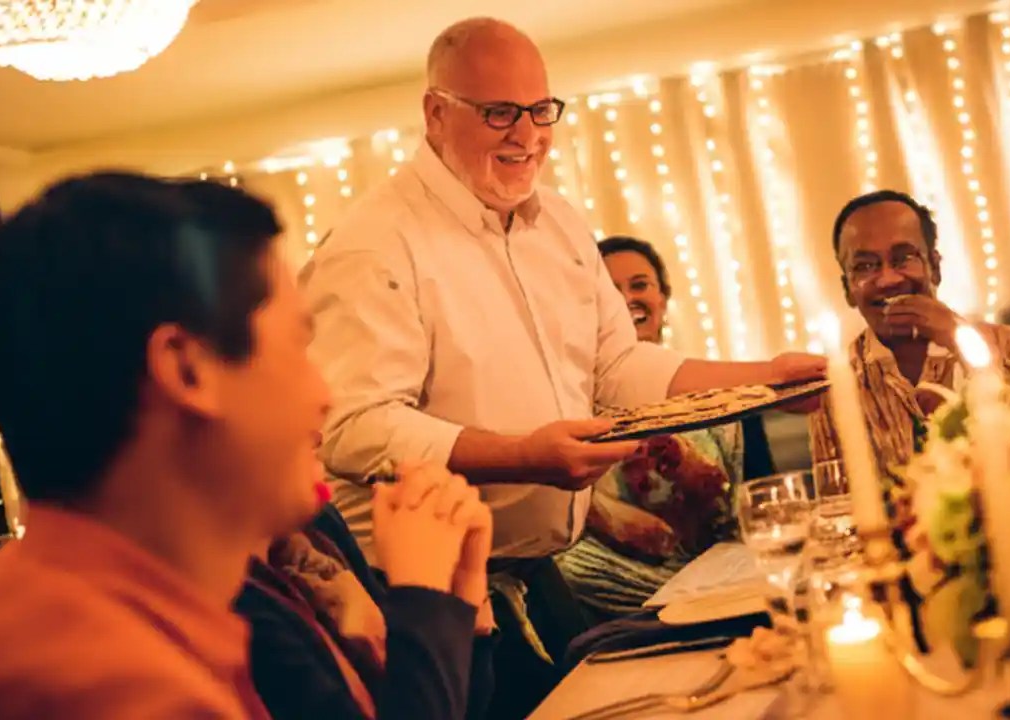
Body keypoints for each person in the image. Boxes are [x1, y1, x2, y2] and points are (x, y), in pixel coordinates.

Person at [299, 17, 825, 718]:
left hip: (536, 570)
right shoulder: (375, 245)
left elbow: (617, 365)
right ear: (435, 113)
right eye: (499, 114)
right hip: (424, 598)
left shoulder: (560, 222)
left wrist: (766, 378)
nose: (527, 135)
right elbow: (355, 429)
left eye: (541, 110)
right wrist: (521, 456)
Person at [0, 173, 319, 718]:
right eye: (299, 345)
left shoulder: (40, 599)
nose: (324, 394)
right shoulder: (123, 693)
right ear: (187, 370)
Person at [556, 236, 744, 619]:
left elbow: (752, 504)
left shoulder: (717, 394)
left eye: (639, 285)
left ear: (663, 297)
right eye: (610, 292)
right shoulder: (565, 400)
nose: (627, 299)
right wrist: (605, 513)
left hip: (727, 574)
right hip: (615, 591)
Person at [236, 465, 496, 720]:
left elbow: (456, 704)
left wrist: (462, 589)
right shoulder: (238, 614)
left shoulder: (316, 532)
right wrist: (422, 595)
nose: (319, 426)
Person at [830, 190, 1010, 471]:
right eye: (865, 266)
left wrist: (956, 337)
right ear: (847, 289)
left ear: (934, 267)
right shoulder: (833, 386)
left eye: (903, 258)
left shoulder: (1007, 344)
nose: (887, 279)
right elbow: (834, 498)